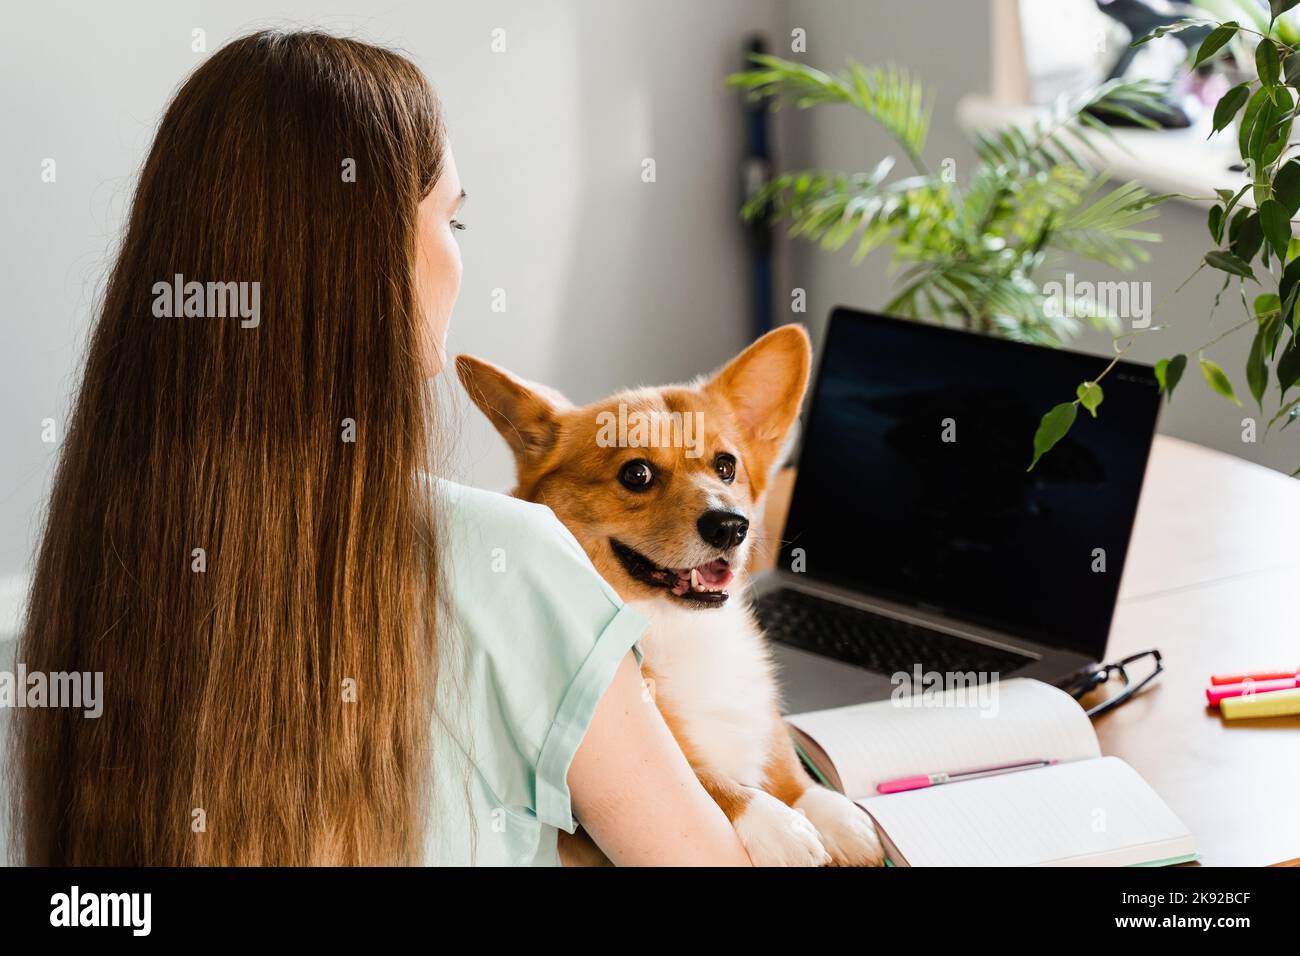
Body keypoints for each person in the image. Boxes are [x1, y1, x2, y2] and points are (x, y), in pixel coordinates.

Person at [6, 30, 750, 867]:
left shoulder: (92, 562)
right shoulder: (504, 564)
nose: (458, 255)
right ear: (373, 256)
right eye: (451, 216)